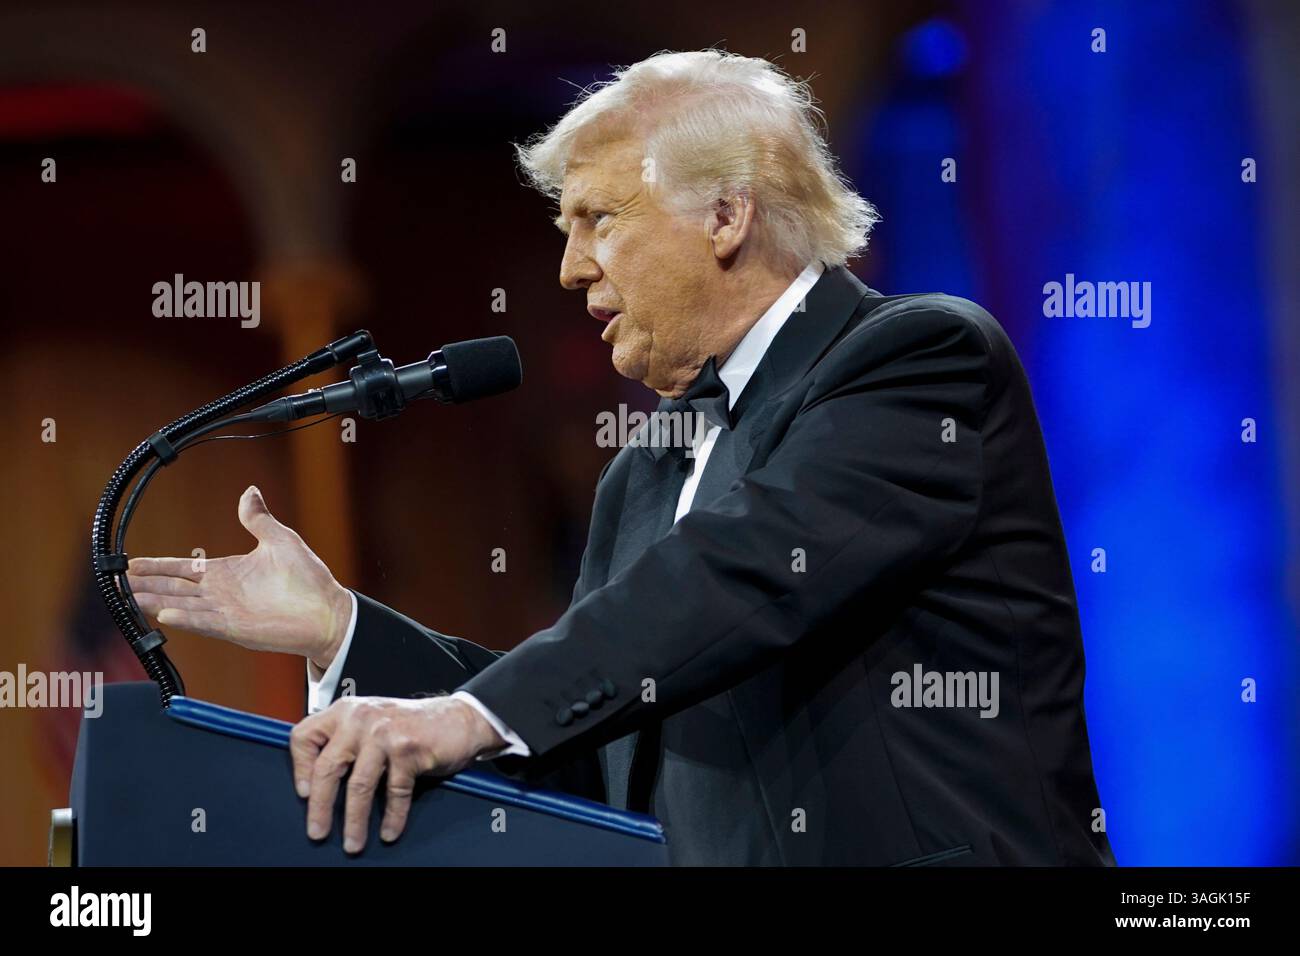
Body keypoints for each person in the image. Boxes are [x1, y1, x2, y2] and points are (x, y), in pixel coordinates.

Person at [128, 50, 1115, 866]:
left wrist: (470, 714)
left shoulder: (914, 360)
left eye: (598, 217)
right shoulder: (644, 473)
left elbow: (746, 567)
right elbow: (583, 732)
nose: (569, 266)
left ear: (726, 215)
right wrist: (343, 630)